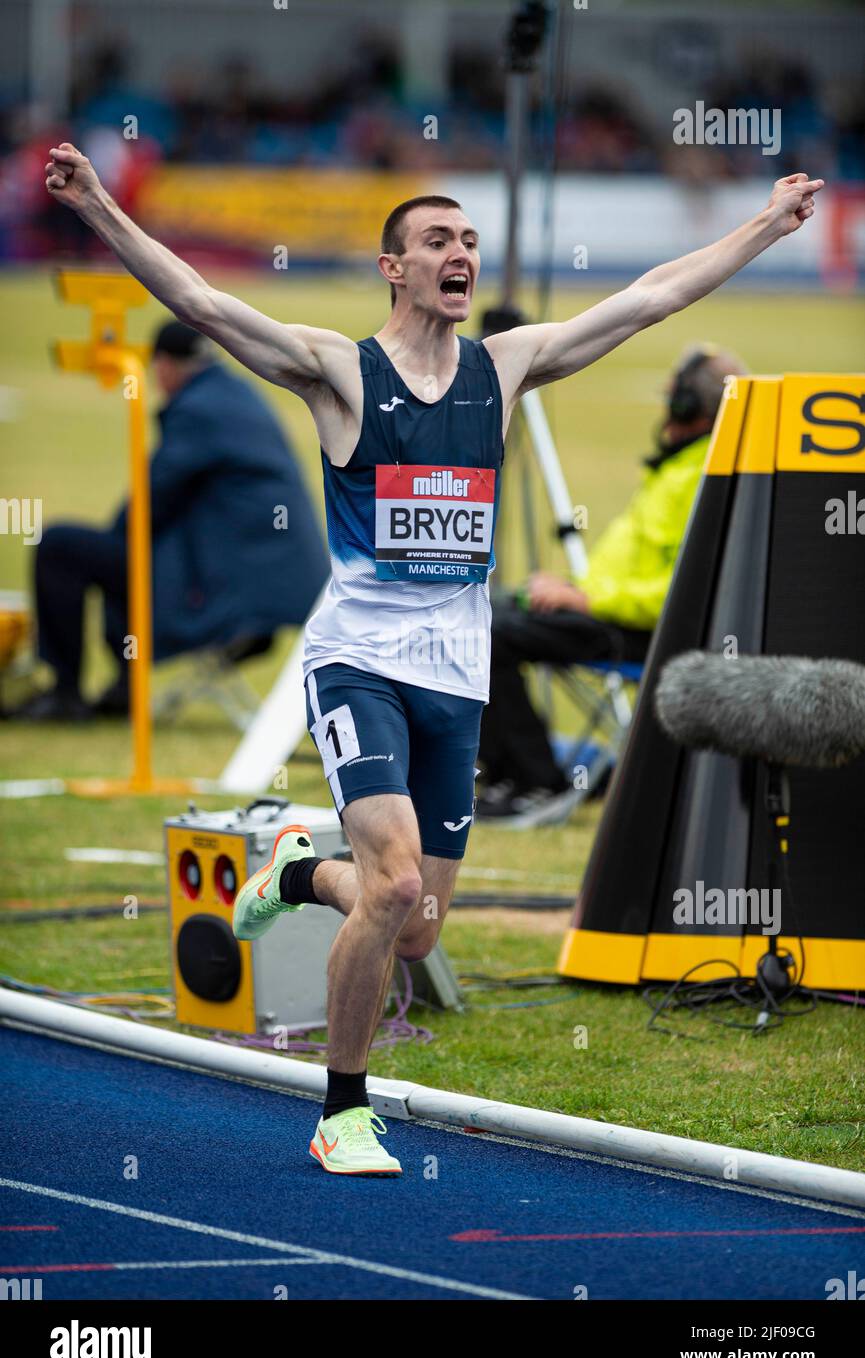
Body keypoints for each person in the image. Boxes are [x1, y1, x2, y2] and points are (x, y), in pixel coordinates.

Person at [44, 140, 822, 1175]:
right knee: (397, 880)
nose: (461, 252)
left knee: (413, 924)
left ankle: (295, 866)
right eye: (437, 240)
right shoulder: (337, 371)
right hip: (359, 660)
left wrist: (765, 226)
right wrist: (97, 202)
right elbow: (201, 303)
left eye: (467, 239)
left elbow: (646, 299)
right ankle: (341, 1110)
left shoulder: (502, 369)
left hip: (456, 675)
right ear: (394, 267)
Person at [476, 344, 746, 823]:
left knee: (489, 634)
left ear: (689, 408)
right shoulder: (687, 463)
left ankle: (537, 781)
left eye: (673, 398)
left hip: (643, 630)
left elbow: (682, 592)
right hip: (610, 612)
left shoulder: (705, 473)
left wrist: (585, 599)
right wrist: (568, 591)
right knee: (477, 615)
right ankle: (504, 771)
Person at [13, 318, 328, 721]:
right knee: (124, 555)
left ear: (163, 365)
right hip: (274, 582)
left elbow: (153, 497)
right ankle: (122, 689)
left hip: (235, 589)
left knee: (61, 546)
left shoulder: (199, 408)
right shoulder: (233, 392)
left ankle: (65, 695)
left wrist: (114, 541)